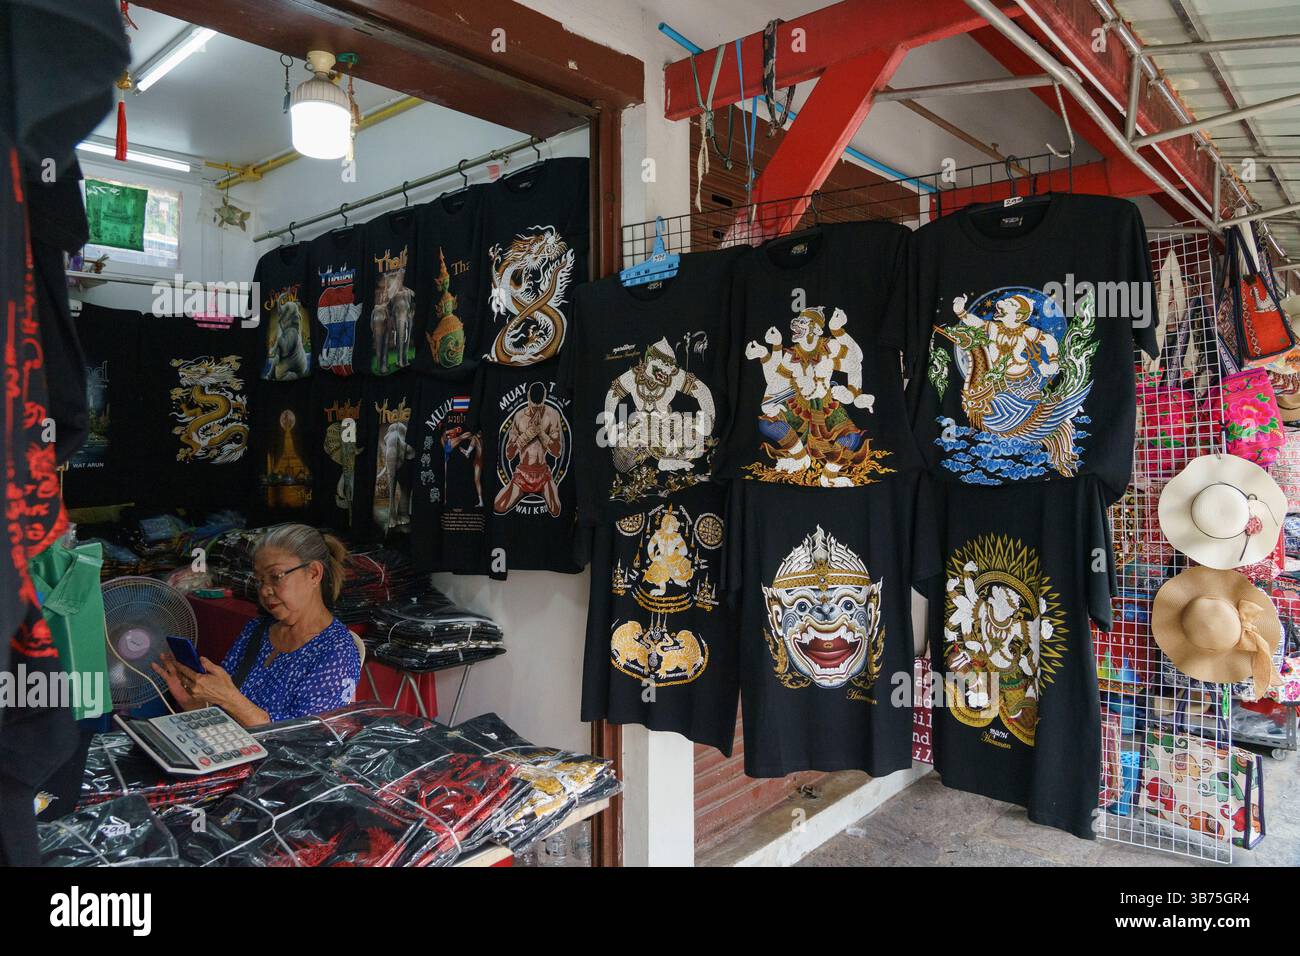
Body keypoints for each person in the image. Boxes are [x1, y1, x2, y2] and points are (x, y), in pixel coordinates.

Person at [152, 524, 361, 726]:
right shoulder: (257, 629)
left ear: (314, 573)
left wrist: (230, 699)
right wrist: (193, 702)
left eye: (275, 577)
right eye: (260, 580)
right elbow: (224, 710)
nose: (264, 590)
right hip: (235, 751)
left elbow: (309, 740)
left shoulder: (336, 651)